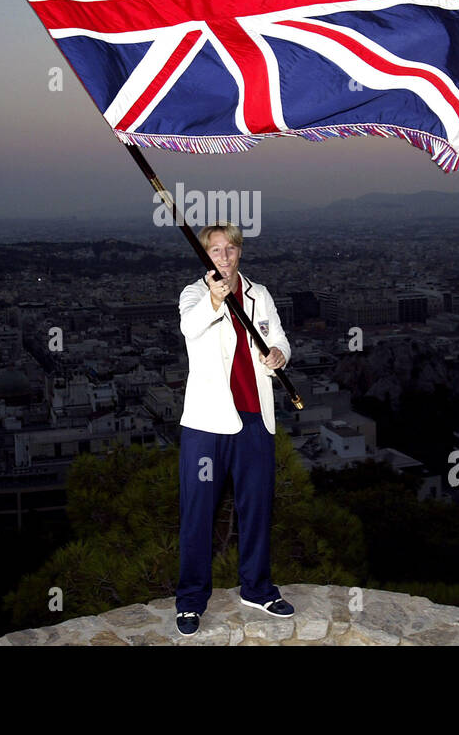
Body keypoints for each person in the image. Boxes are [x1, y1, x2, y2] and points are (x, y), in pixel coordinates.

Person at [174, 221, 295, 637]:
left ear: (240, 252)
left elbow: (280, 338)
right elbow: (190, 328)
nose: (223, 257)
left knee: (257, 508)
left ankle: (257, 588)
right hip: (207, 424)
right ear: (204, 256)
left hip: (255, 419)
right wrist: (212, 299)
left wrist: (280, 354)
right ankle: (190, 601)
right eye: (215, 250)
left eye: (230, 249)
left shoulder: (260, 296)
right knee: (197, 513)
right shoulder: (194, 294)